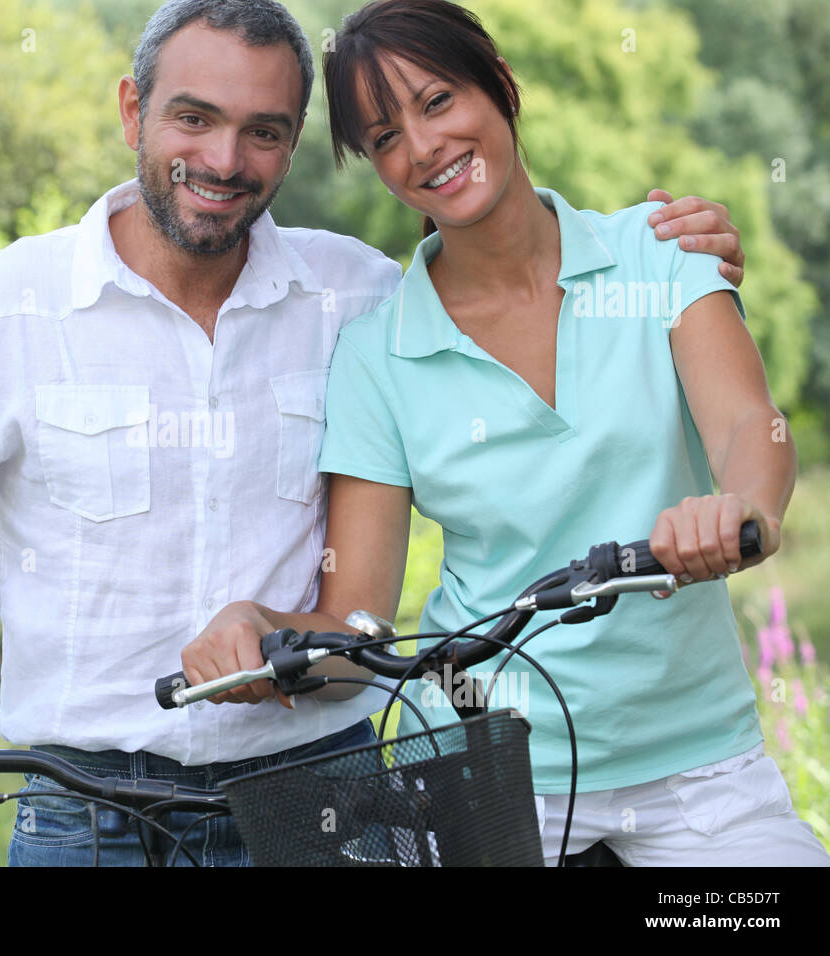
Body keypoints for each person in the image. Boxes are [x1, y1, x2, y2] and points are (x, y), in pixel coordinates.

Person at [0, 0, 750, 866]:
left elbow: (509, 294)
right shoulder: (5, 306)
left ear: (292, 149)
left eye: (263, 131)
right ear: (131, 109)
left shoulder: (359, 298)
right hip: (84, 813)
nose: (226, 158)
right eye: (193, 118)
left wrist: (665, 253)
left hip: (322, 799)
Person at [186, 0, 828, 865]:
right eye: (383, 137)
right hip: (486, 768)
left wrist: (741, 507)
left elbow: (754, 422)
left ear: (503, 87)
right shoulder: (379, 354)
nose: (420, 147)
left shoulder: (656, 251)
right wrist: (264, 630)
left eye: (439, 101)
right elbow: (359, 625)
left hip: (699, 768)